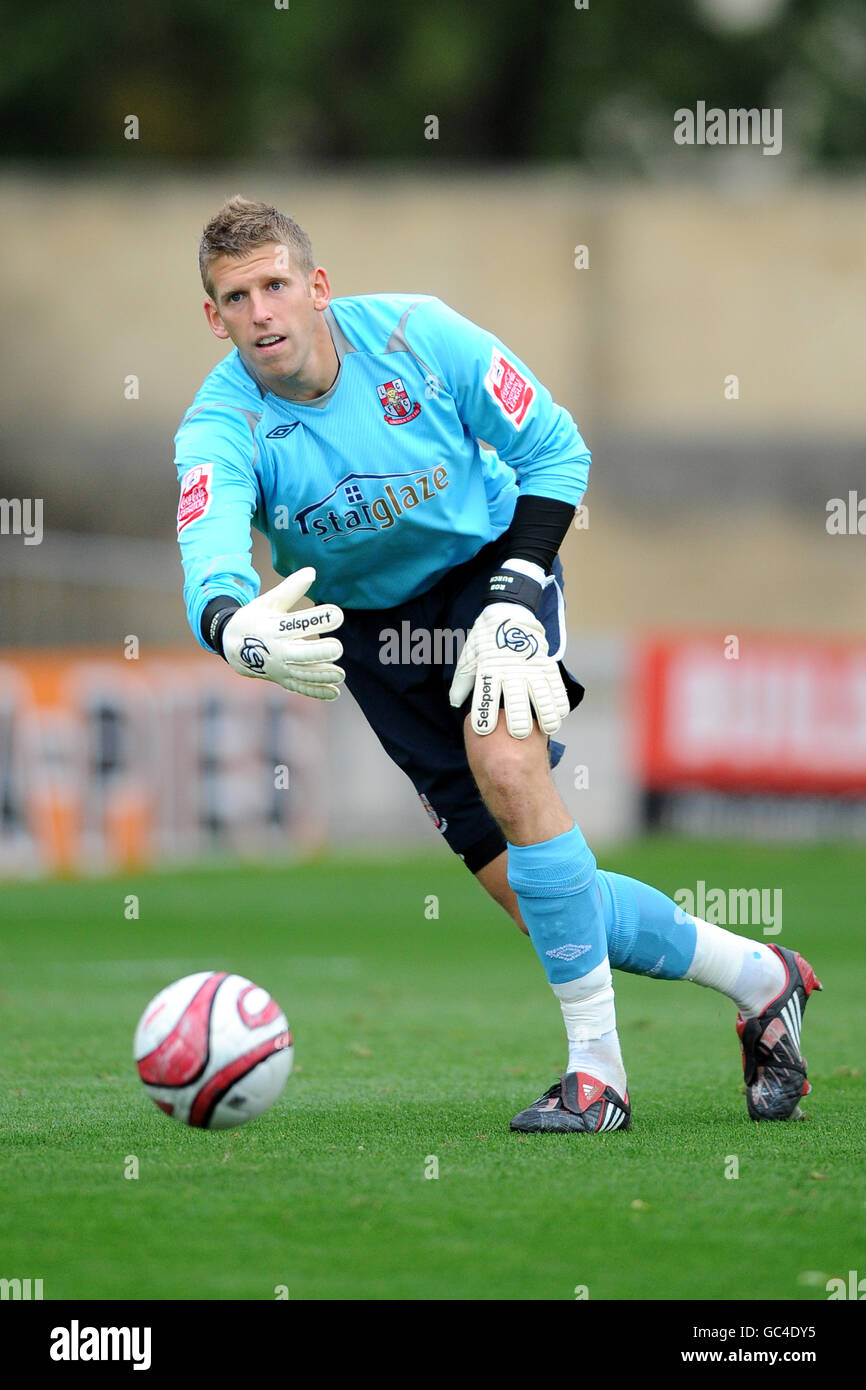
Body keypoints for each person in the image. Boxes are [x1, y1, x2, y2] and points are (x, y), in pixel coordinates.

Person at [174, 196, 821, 1133]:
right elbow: (211, 561)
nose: (262, 313)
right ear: (214, 316)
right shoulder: (217, 424)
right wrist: (237, 629)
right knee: (538, 897)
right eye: (237, 298)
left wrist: (518, 588)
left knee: (510, 767)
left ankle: (596, 1079)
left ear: (318, 288)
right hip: (368, 633)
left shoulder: (420, 336)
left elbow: (556, 451)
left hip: (491, 571)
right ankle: (762, 978)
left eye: (276, 285)